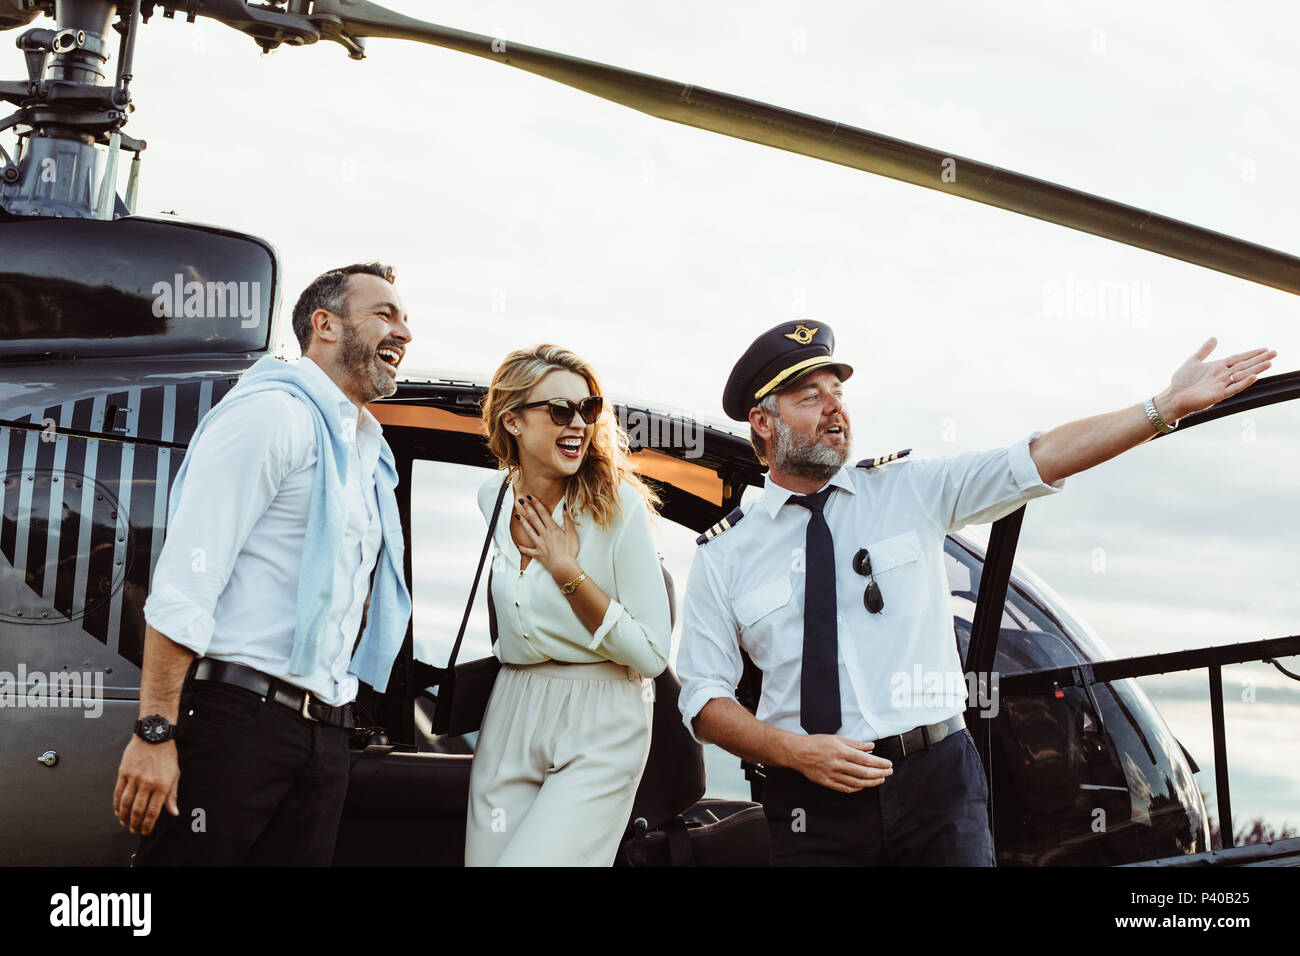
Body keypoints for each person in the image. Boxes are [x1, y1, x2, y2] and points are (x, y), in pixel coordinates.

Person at [676, 321, 1275, 866]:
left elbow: (1038, 458)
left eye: (839, 393)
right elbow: (705, 700)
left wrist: (1162, 406)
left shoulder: (910, 490)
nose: (836, 409)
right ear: (763, 421)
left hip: (936, 782)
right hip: (812, 802)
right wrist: (794, 752)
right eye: (811, 398)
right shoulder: (724, 555)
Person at [112, 262, 414, 865]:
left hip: (325, 736)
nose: (404, 331)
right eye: (385, 314)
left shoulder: (362, 452)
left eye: (406, 319)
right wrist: (154, 732)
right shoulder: (273, 415)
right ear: (324, 325)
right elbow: (187, 582)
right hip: (239, 721)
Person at [464, 344, 671, 866]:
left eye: (589, 409)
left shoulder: (618, 506)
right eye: (560, 410)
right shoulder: (492, 496)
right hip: (513, 703)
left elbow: (651, 654)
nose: (578, 422)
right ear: (512, 420)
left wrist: (566, 572)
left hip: (602, 714)